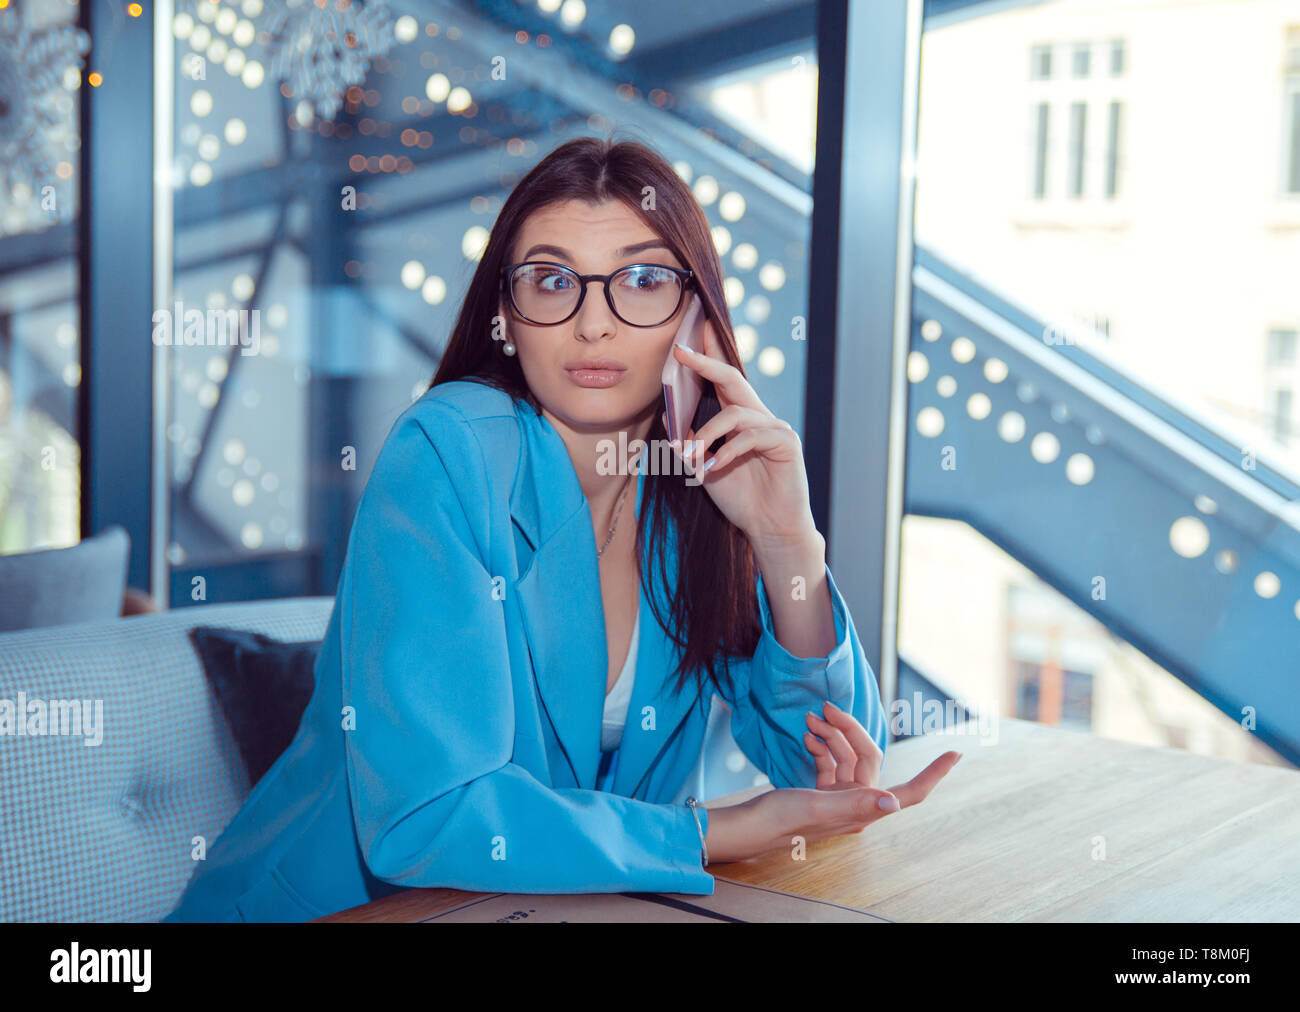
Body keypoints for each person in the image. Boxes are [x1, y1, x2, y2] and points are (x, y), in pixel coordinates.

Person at [164, 135, 958, 923]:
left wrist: (788, 543)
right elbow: (430, 815)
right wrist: (712, 830)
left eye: (642, 280)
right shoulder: (446, 455)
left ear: (696, 314)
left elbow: (818, 769)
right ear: (508, 313)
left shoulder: (692, 492)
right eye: (552, 281)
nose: (592, 323)